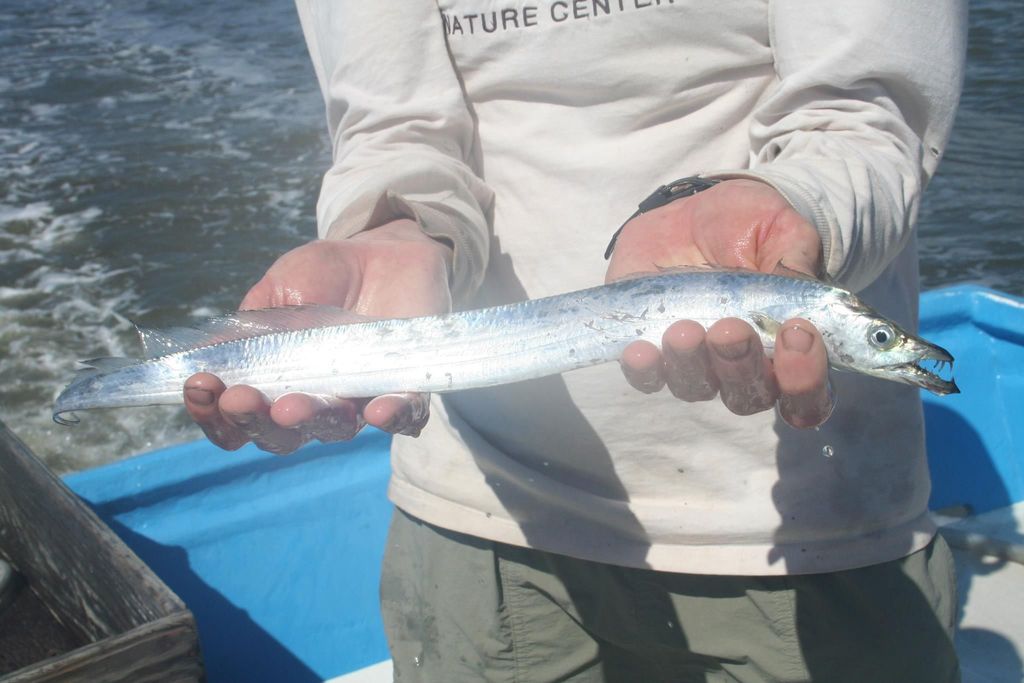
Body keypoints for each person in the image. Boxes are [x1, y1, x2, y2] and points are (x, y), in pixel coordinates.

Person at [184, 1, 967, 680]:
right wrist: (394, 226)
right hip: (484, 513)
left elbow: (865, 110)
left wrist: (796, 202)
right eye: (878, 338)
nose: (890, 346)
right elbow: (393, 129)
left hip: (809, 525)